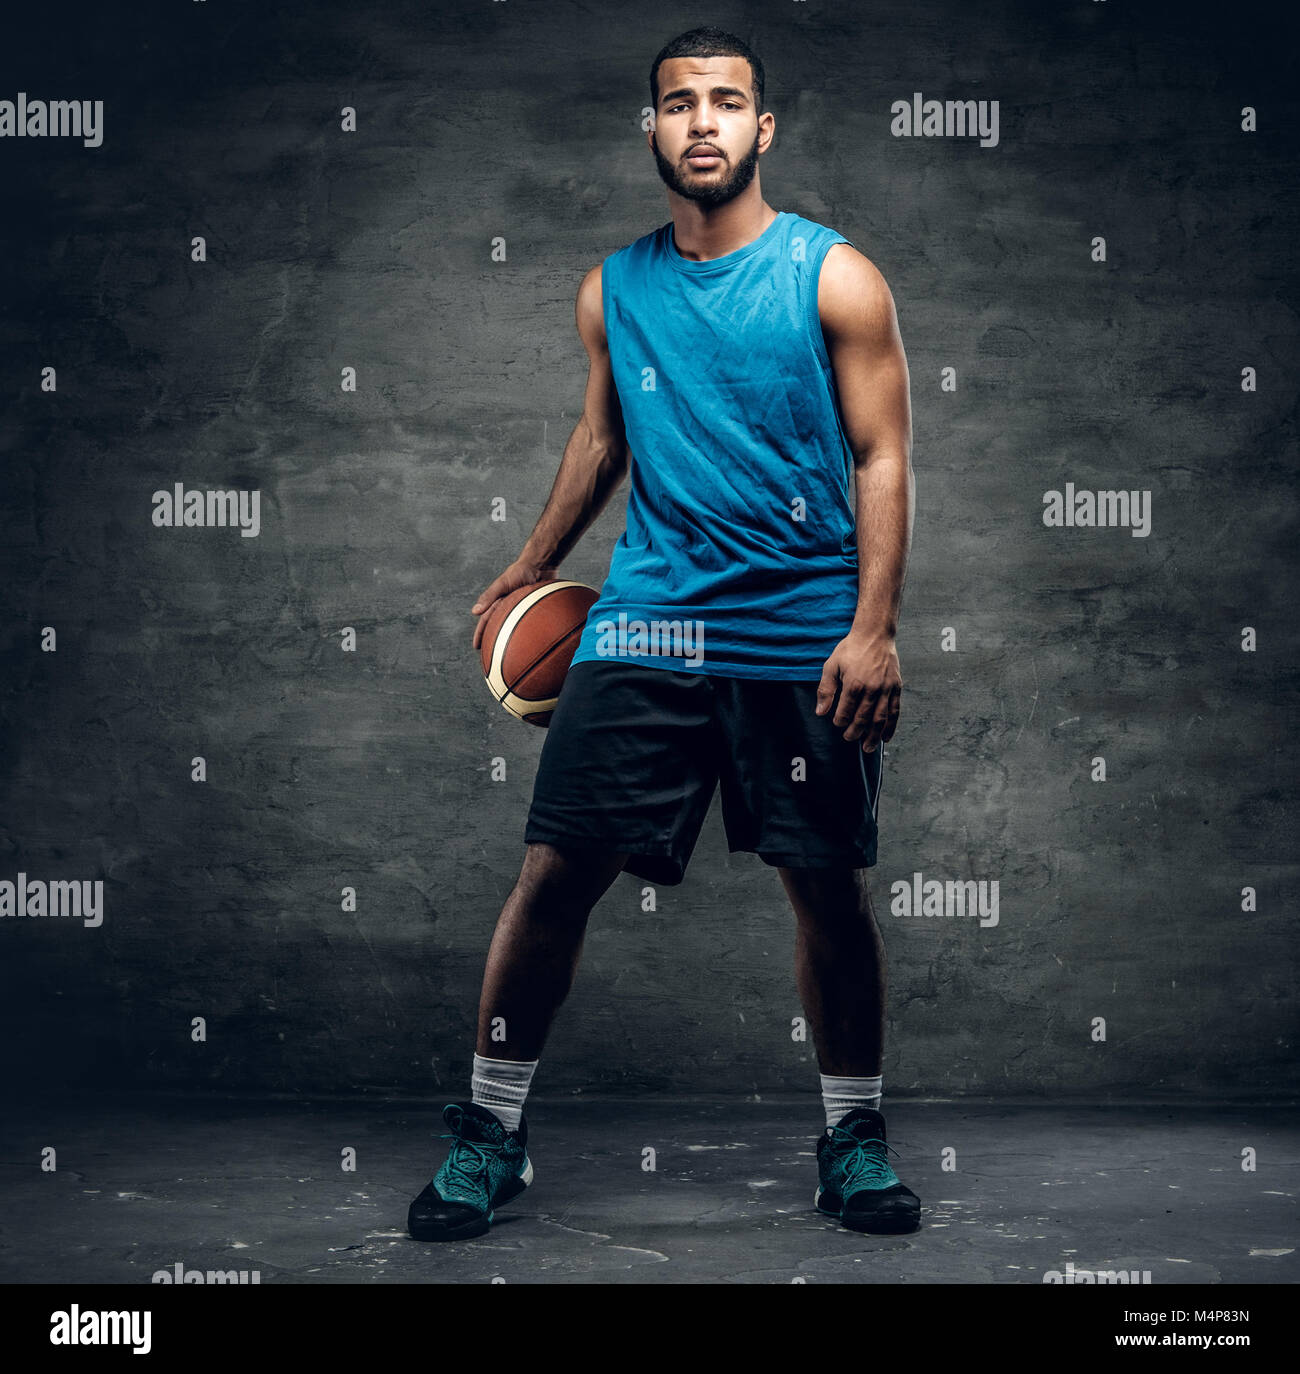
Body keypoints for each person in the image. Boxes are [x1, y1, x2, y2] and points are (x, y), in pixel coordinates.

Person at [409, 25, 918, 1243]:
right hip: (645, 628)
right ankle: (490, 1138)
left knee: (827, 891)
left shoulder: (834, 277)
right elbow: (600, 440)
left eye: (726, 102)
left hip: (799, 629)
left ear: (763, 129)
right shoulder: (612, 287)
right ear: (651, 130)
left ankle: (852, 1141)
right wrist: (529, 568)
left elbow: (884, 452)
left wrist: (873, 630)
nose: (702, 122)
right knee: (552, 877)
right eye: (678, 104)